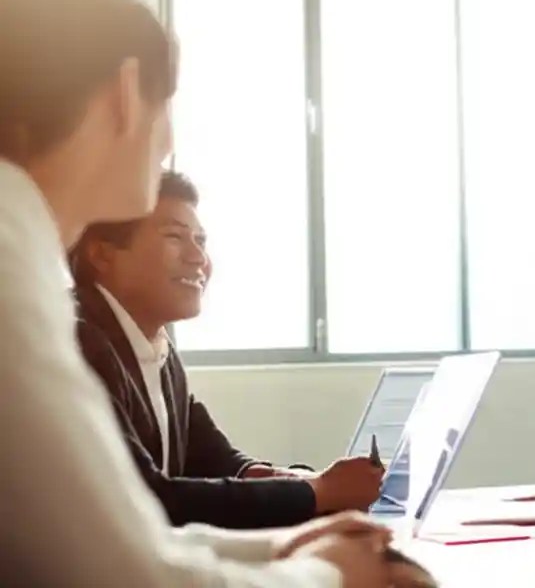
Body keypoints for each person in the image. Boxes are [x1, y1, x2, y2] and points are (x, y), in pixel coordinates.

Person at [0, 0, 397, 586]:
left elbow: (121, 532)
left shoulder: (23, 244)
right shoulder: (12, 262)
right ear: (126, 94)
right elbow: (126, 571)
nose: (169, 140)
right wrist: (329, 574)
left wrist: (279, 549)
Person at [70, 170, 384, 529]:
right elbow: (150, 500)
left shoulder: (156, 348)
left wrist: (297, 481)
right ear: (102, 254)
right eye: (175, 237)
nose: (198, 257)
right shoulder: (78, 341)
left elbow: (216, 460)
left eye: (201, 241)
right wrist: (319, 492)